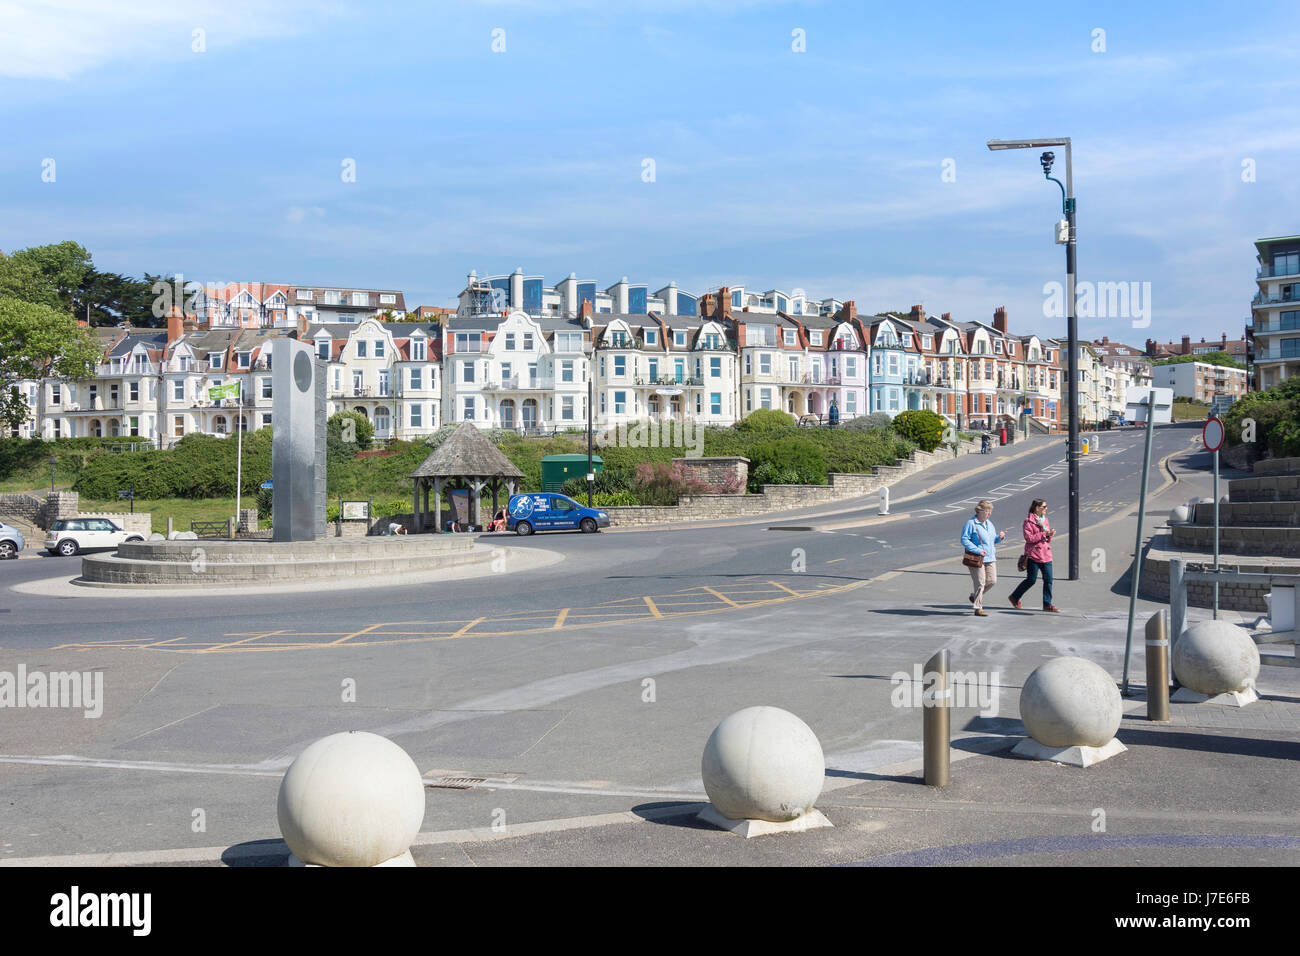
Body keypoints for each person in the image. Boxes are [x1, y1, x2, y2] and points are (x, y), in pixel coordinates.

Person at [1009, 498, 1059, 612]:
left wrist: (1049, 534)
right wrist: (1044, 533)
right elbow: (1029, 538)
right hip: (1034, 555)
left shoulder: (1045, 520)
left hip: (1046, 554)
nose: (1046, 508)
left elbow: (1047, 539)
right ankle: (1015, 597)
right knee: (1031, 580)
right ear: (1037, 508)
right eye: (1044, 507)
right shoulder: (1028, 521)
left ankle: (1047, 604)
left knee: (1049, 580)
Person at [961, 499, 1006, 617]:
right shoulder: (971, 523)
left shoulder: (989, 524)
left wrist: (999, 538)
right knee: (980, 582)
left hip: (990, 557)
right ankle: (978, 608)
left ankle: (974, 597)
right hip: (977, 558)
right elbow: (964, 539)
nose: (989, 514)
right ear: (980, 511)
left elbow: (991, 541)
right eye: (987, 511)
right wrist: (978, 550)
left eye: (990, 511)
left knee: (992, 581)